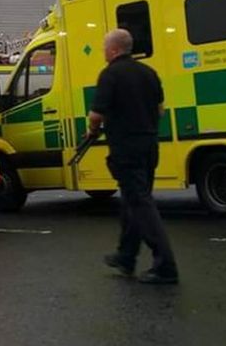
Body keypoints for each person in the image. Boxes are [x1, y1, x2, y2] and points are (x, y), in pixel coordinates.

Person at [87, 29, 178, 284]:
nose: (104, 52)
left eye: (105, 47)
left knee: (140, 204)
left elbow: (96, 115)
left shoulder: (110, 75)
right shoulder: (149, 73)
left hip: (126, 148)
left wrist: (93, 130)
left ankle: (165, 265)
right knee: (132, 201)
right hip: (150, 145)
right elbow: (160, 110)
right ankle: (126, 255)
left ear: (114, 50)